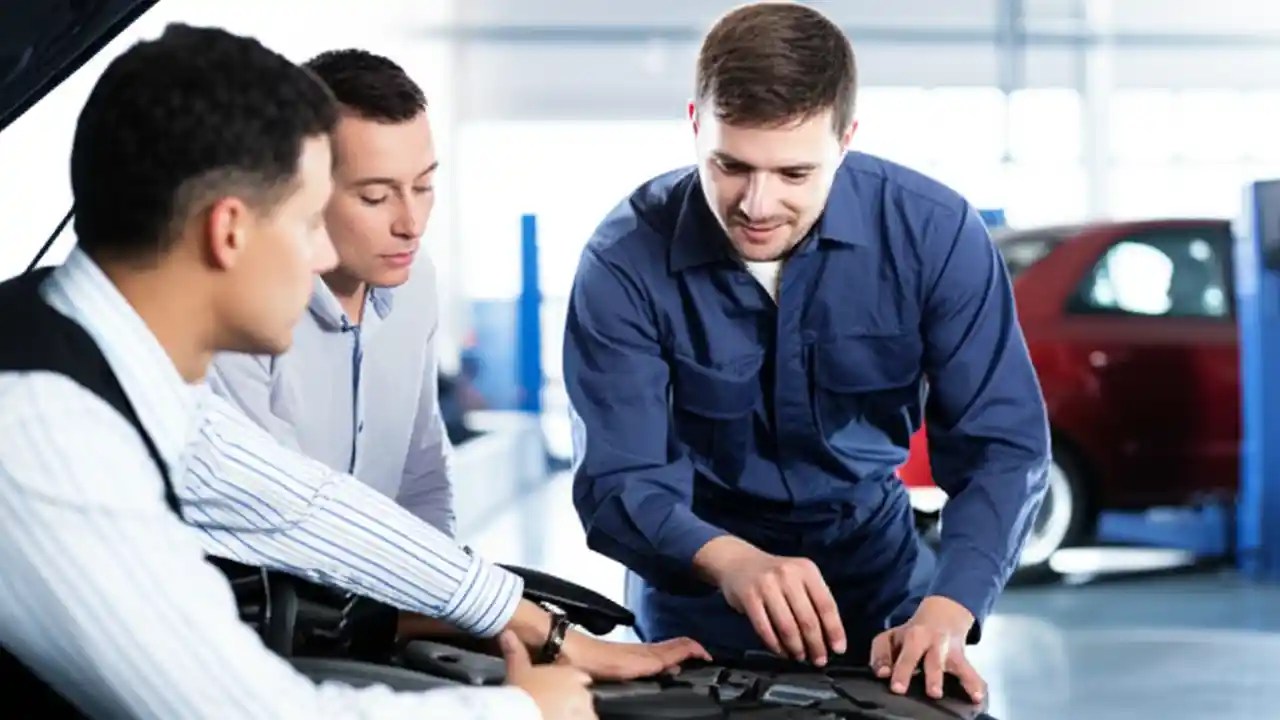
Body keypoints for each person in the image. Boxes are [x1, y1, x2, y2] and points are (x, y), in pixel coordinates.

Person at [0, 23, 702, 720]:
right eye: (310, 221)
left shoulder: (104, 368)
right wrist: (524, 712)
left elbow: (300, 504)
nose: (318, 257)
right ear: (230, 231)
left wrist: (528, 623)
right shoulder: (41, 428)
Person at [562, 1, 1051, 706]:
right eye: (731, 166)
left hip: (881, 581)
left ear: (846, 138)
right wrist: (729, 562)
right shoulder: (624, 260)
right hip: (699, 587)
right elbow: (620, 476)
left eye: (794, 174)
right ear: (696, 125)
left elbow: (1001, 446)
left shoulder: (936, 235)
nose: (757, 204)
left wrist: (951, 607)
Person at [208, 48, 457, 536]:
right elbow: (276, 517)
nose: (412, 224)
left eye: (424, 186)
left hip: (391, 593)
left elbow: (421, 472)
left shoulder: (417, 279)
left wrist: (449, 604)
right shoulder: (241, 307)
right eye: (375, 197)